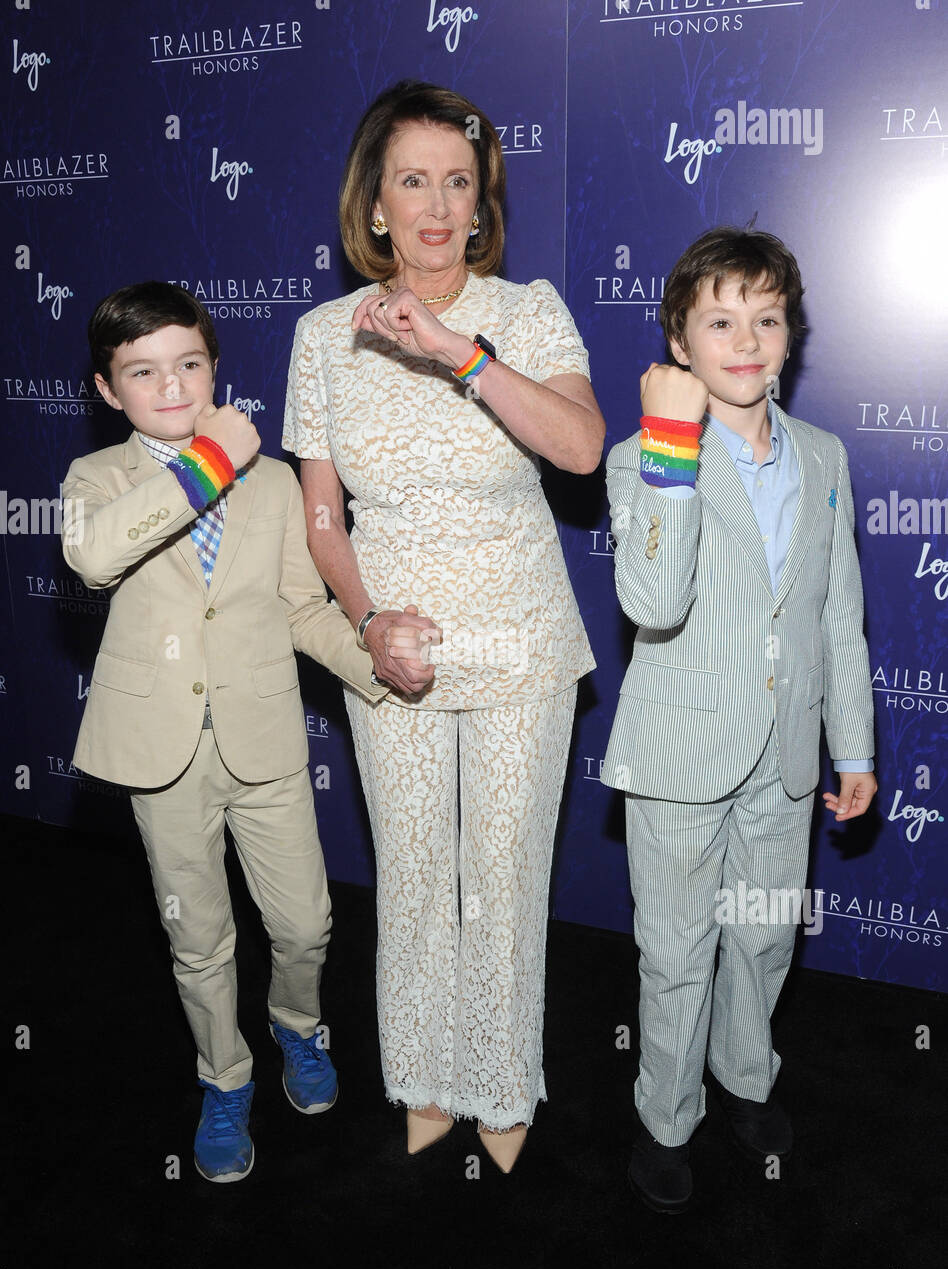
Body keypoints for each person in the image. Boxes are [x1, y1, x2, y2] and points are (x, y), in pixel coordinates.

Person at [283, 80, 605, 1172]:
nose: (433, 204)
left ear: (481, 202)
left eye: (456, 182)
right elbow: (322, 519)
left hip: (518, 638)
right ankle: (423, 1079)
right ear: (373, 204)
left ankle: (502, 1085)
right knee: (416, 869)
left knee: (506, 870)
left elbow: (579, 449)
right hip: (397, 646)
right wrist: (368, 621)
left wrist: (457, 350)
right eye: (410, 181)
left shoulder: (529, 311)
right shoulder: (323, 338)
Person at [62, 281, 394, 1183]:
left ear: (214, 366)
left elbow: (301, 608)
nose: (170, 386)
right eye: (143, 372)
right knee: (198, 938)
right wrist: (209, 460)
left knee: (306, 924)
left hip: (264, 742)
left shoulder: (275, 480)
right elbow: (94, 558)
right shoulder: (98, 481)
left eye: (189, 364)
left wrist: (378, 659)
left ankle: (298, 1028)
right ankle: (225, 1076)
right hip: (160, 757)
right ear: (107, 391)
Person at [600, 227, 876, 1212]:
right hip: (681, 751)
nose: (746, 339)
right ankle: (667, 1113)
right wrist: (674, 444)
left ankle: (744, 1076)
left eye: (766, 318)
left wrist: (852, 742)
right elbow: (653, 598)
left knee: (760, 937)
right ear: (680, 341)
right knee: (676, 951)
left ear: (791, 335)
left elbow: (839, 610)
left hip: (786, 754)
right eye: (721, 320)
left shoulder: (826, 455)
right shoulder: (641, 457)